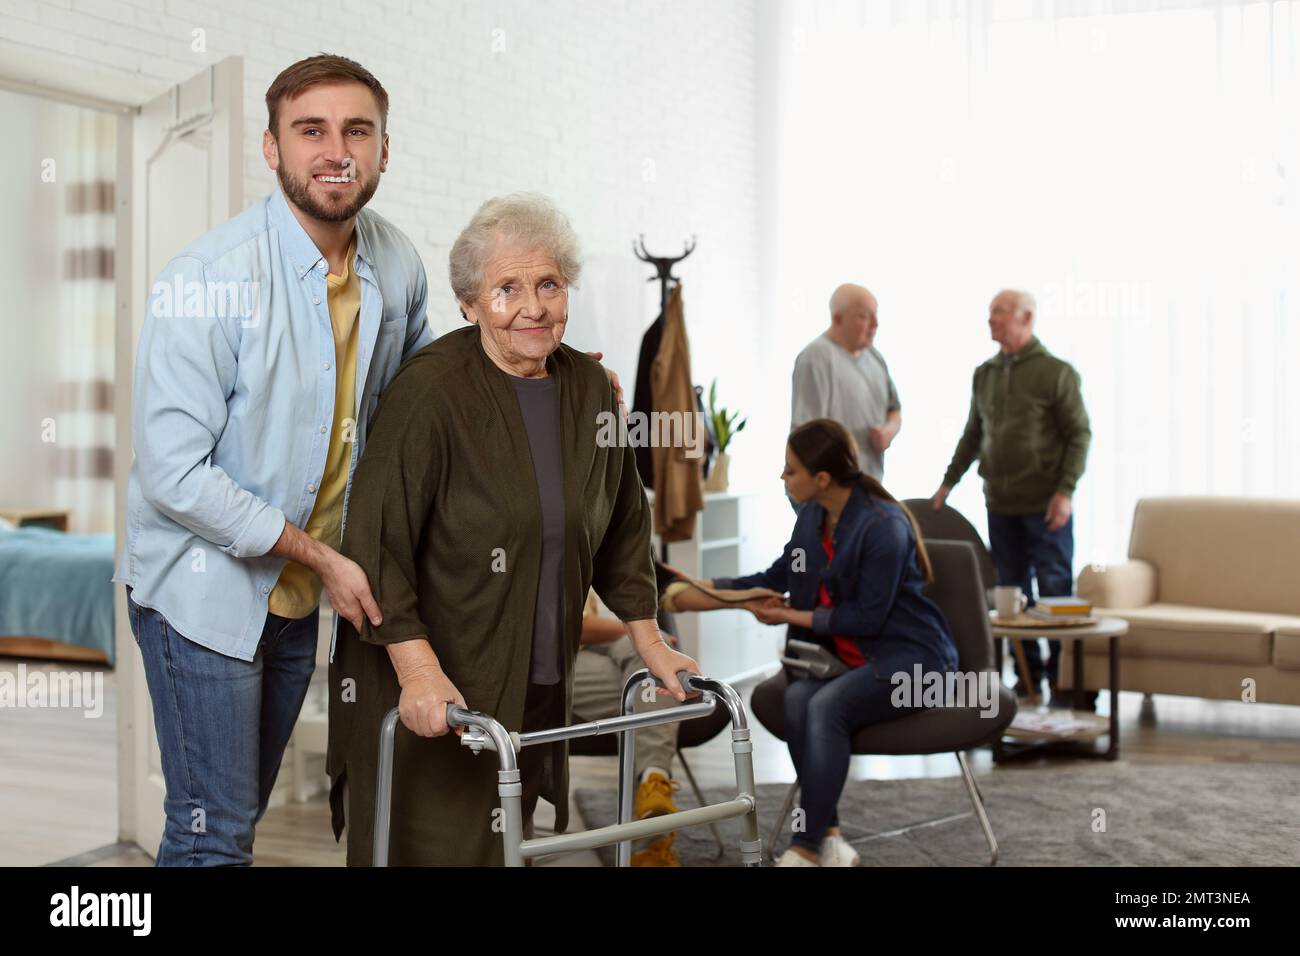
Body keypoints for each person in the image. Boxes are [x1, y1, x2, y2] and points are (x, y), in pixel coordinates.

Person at [326, 193, 699, 866]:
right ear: (470, 304)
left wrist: (649, 640)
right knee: (437, 848)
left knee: (505, 846)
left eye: (549, 284)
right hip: (439, 683)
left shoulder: (588, 387)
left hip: (533, 680)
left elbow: (621, 524)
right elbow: (376, 545)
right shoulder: (431, 392)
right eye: (507, 289)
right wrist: (418, 673)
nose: (533, 307)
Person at [671, 418, 959, 867]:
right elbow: (776, 577)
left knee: (826, 707)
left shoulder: (883, 527)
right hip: (849, 662)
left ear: (821, 478)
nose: (783, 477)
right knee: (798, 699)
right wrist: (708, 585)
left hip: (911, 661)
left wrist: (789, 614)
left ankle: (804, 847)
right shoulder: (812, 518)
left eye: (790, 470)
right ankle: (831, 838)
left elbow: (867, 617)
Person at [932, 289, 1091, 704]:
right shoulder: (983, 374)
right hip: (999, 504)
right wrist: (948, 483)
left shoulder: (1057, 373)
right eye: (990, 313)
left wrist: (1065, 492)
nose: (991, 320)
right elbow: (973, 434)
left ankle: (1065, 681)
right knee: (1010, 595)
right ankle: (1027, 677)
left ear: (1027, 318)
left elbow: (1079, 435)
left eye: (1000, 313)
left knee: (1055, 591)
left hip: (1046, 505)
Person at [790, 283, 901, 482]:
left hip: (869, 485)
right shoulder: (816, 358)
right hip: (830, 491)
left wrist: (888, 431)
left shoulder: (876, 358)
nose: (875, 324)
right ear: (837, 318)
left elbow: (894, 410)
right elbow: (807, 437)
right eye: (864, 316)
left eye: (875, 315)